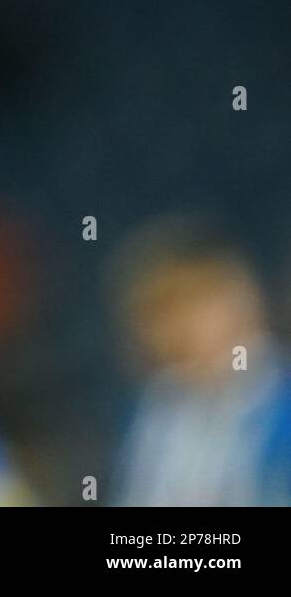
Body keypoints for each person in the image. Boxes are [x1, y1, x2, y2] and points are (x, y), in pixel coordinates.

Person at [111, 215, 291, 506]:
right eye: (155, 314)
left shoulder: (281, 408)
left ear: (240, 297)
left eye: (187, 304)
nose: (171, 330)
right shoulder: (157, 410)